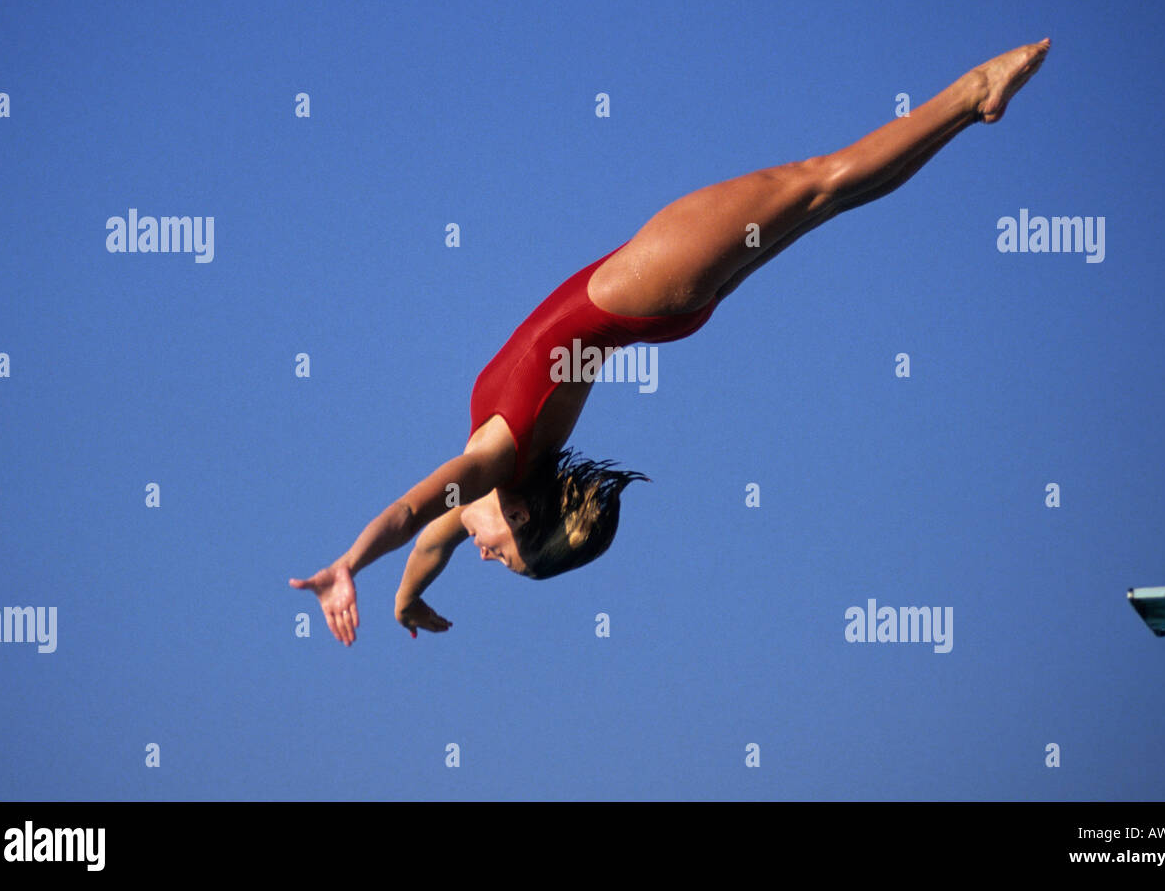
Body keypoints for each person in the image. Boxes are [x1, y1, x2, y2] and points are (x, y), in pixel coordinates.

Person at [290, 39, 1051, 645]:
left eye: (496, 559)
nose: (482, 553)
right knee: (817, 183)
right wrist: (350, 564)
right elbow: (409, 514)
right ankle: (969, 92)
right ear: (523, 514)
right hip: (646, 292)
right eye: (504, 554)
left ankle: (964, 110)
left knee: (826, 200)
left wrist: (397, 598)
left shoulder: (491, 474)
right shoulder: (500, 460)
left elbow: (425, 538)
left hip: (663, 310)